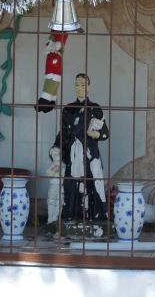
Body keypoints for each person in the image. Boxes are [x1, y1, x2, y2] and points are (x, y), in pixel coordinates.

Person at [46, 73, 110, 226]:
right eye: (77, 84)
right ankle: (70, 216)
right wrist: (56, 150)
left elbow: (105, 133)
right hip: (72, 154)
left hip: (90, 155)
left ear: (89, 87)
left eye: (83, 85)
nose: (80, 88)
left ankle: (94, 218)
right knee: (70, 185)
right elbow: (63, 133)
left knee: (92, 184)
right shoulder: (68, 109)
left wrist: (94, 133)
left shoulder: (95, 108)